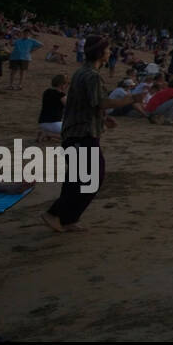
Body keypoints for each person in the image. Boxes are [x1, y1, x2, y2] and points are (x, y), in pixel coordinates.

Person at [42, 35, 132, 232]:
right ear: (100, 53)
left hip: (80, 132)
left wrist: (103, 119)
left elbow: (86, 103)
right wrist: (131, 99)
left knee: (78, 178)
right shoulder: (91, 75)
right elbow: (102, 102)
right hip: (80, 134)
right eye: (108, 50)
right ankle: (54, 214)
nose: (110, 53)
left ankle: (67, 219)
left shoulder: (84, 73)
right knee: (90, 177)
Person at [37, 73, 67, 142]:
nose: (66, 86)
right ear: (61, 84)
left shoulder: (47, 91)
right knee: (72, 135)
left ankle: (47, 134)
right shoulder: (61, 95)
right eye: (66, 84)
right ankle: (47, 134)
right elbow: (69, 108)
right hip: (53, 122)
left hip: (42, 122)